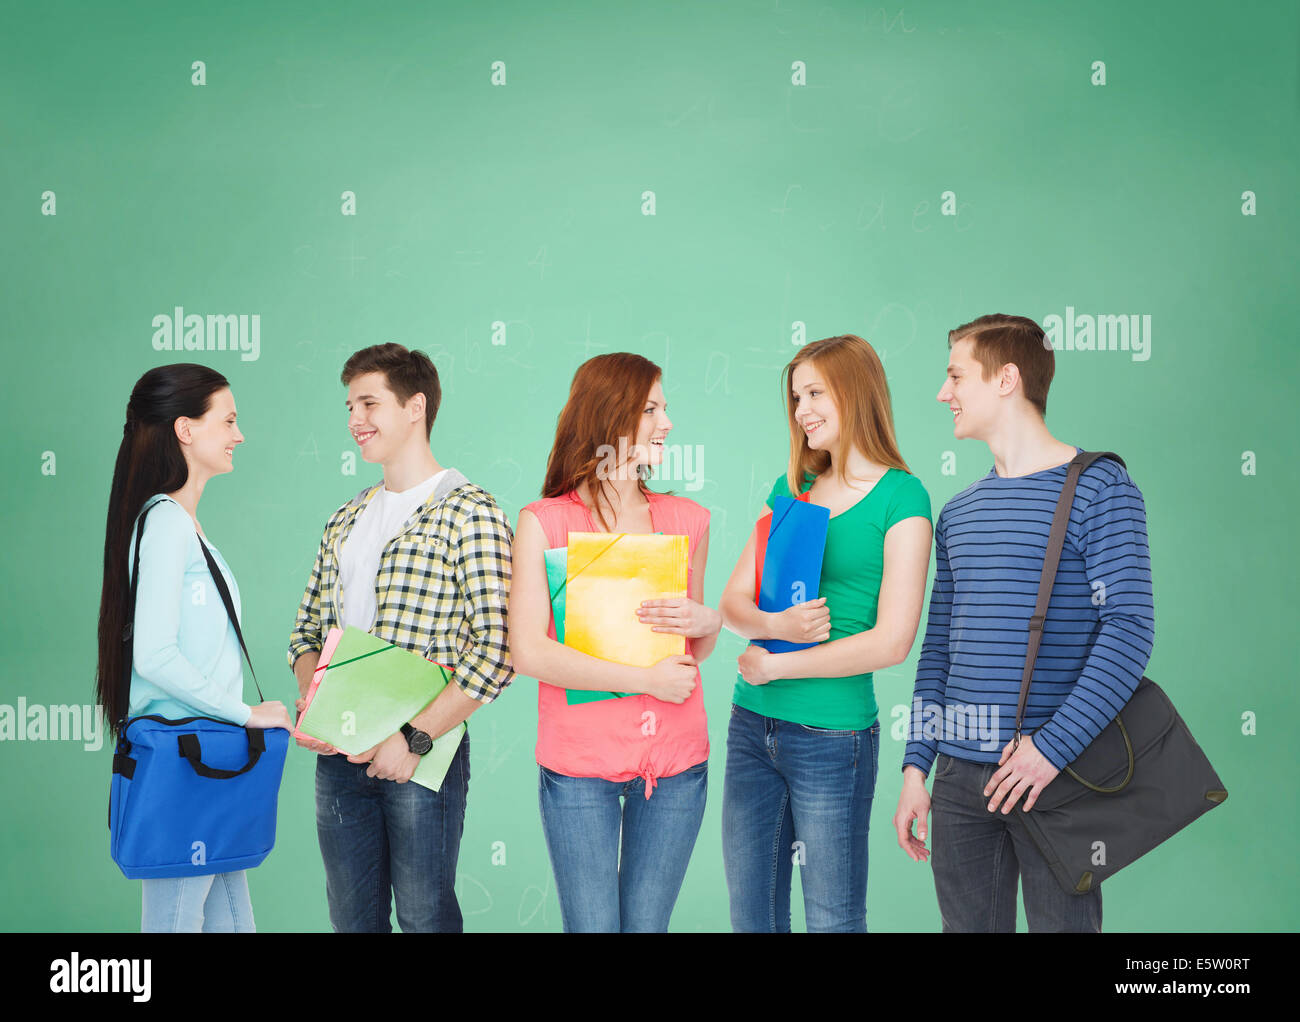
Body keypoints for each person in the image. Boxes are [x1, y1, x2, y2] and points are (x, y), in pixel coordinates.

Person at [893, 314, 1154, 932]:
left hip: (1055, 777)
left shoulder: (1101, 488)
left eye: (955, 375)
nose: (942, 392)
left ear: (1007, 378)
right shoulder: (957, 514)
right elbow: (938, 653)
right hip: (958, 782)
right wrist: (916, 767)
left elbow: (1128, 629)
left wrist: (1051, 751)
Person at [287, 342, 514, 933]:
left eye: (368, 403)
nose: (354, 421)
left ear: (415, 407)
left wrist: (412, 739)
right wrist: (316, 704)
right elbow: (306, 632)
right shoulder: (345, 518)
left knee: (424, 916)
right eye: (349, 407)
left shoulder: (471, 513)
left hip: (423, 754)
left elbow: (498, 649)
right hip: (339, 758)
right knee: (351, 919)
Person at [718, 334, 933, 932]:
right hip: (750, 728)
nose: (801, 410)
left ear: (855, 392)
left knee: (833, 920)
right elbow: (733, 601)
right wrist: (773, 627)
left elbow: (893, 641)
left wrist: (778, 663)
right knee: (752, 918)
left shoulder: (903, 498)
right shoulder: (793, 487)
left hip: (833, 739)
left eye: (815, 393)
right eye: (795, 397)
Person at [508, 352, 718, 932]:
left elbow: (691, 653)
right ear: (610, 418)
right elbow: (528, 652)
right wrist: (644, 681)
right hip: (580, 764)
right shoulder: (543, 523)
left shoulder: (687, 520)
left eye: (665, 409)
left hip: (675, 762)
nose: (667, 423)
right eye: (652, 409)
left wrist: (709, 624)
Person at [96, 364, 291, 933]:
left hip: (205, 763)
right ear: (185, 429)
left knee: (232, 924)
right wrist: (247, 713)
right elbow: (154, 656)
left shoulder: (182, 523)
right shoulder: (167, 524)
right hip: (188, 760)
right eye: (228, 420)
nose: (239, 434)